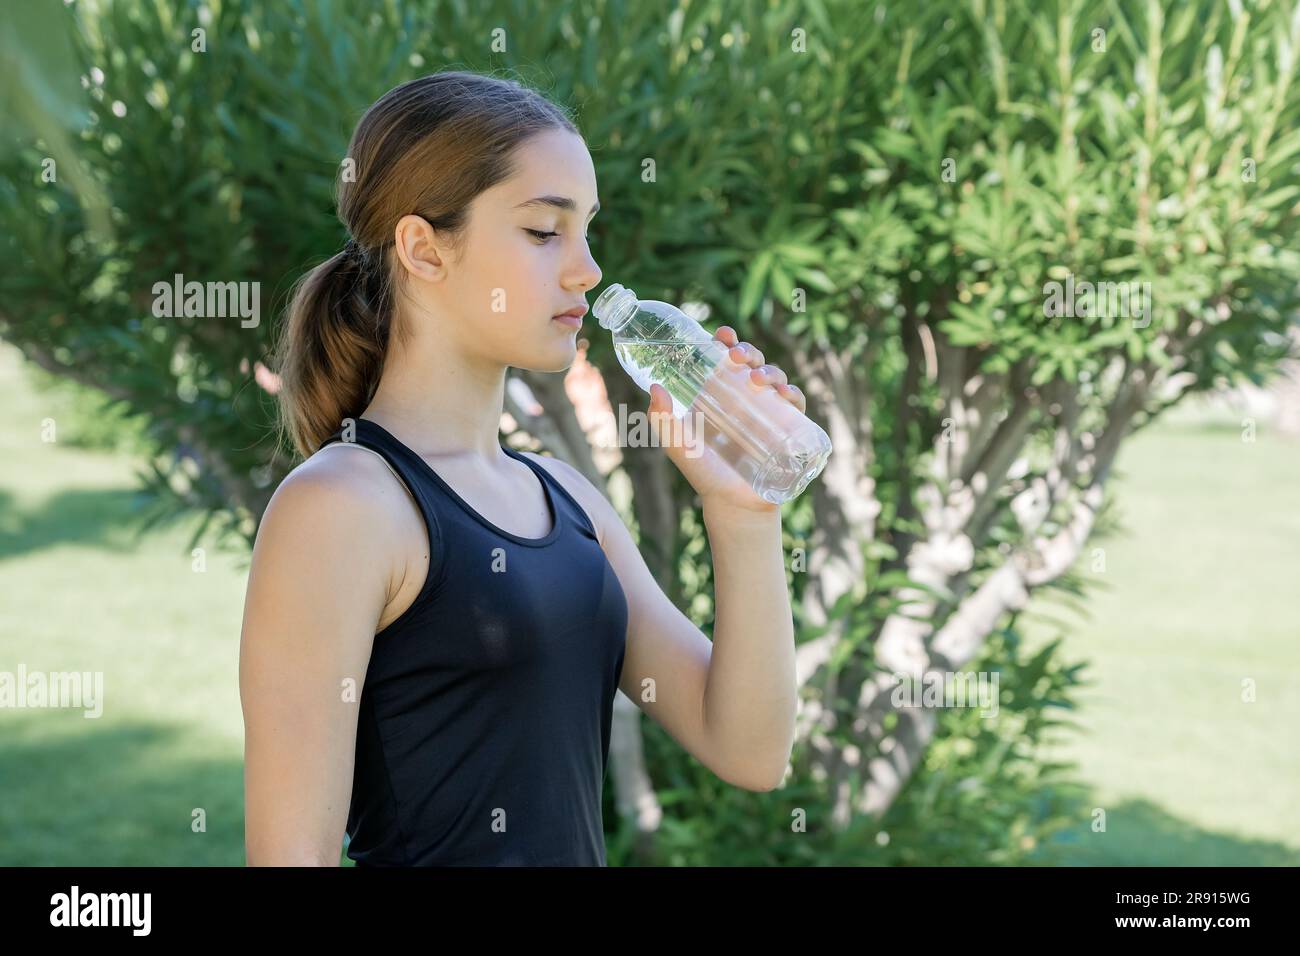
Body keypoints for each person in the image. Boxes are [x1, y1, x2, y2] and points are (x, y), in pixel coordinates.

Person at [239, 70, 806, 866]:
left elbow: (749, 751)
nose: (587, 271)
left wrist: (745, 515)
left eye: (586, 232)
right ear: (423, 249)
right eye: (545, 232)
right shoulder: (341, 506)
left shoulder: (566, 498)